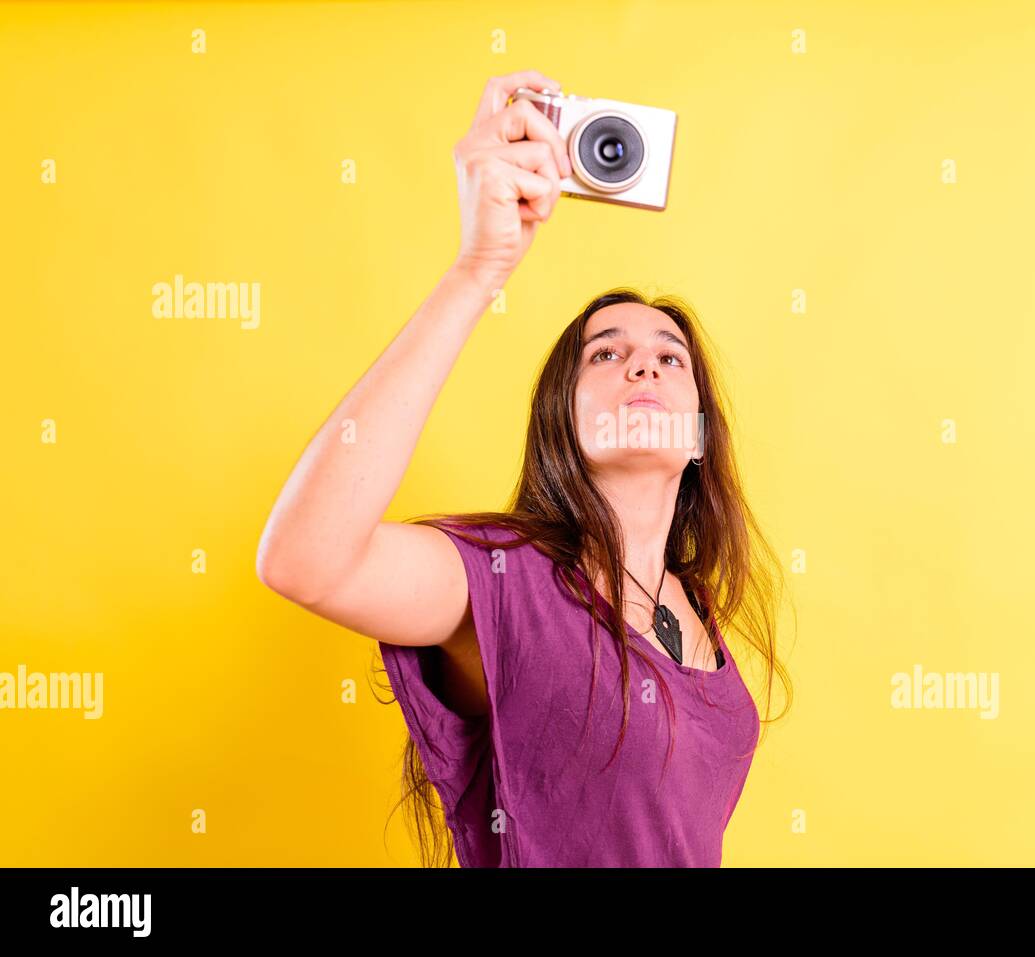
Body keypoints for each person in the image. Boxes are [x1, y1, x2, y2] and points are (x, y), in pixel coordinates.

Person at [256, 70, 791, 867]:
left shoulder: (697, 606)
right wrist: (479, 269)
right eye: (604, 354)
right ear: (561, 424)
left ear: (700, 434)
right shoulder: (508, 582)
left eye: (668, 357)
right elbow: (305, 561)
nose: (640, 368)